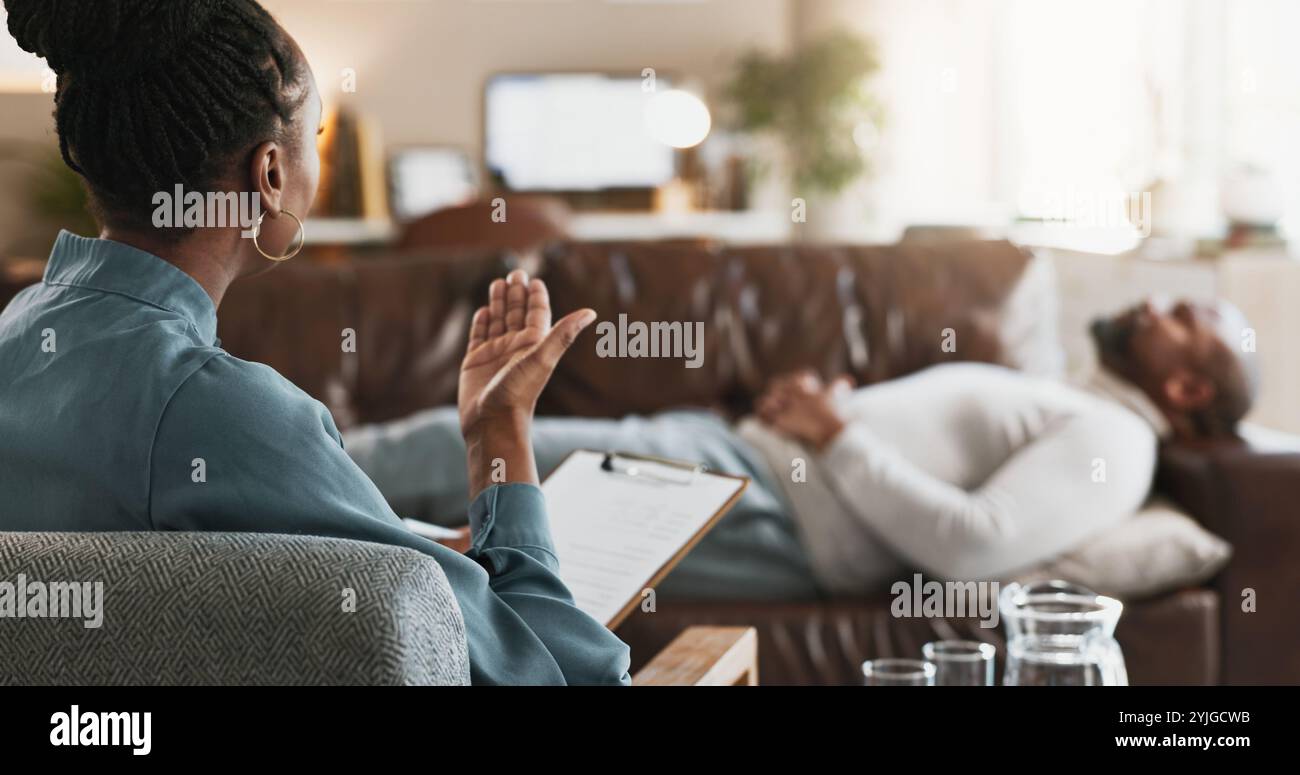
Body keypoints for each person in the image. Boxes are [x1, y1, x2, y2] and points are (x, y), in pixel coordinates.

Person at [0, 0, 629, 685]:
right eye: (316, 132)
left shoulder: (20, 334)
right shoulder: (217, 412)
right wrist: (500, 434)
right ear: (270, 176)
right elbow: (555, 673)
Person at [342, 297, 1258, 599]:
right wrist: (832, 411)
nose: (1155, 308)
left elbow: (973, 543)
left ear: (1187, 391)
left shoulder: (1121, 441)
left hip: (771, 507)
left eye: (1185, 321)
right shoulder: (1076, 402)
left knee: (444, 454)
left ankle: (245, 464)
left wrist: (837, 430)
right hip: (744, 458)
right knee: (444, 482)